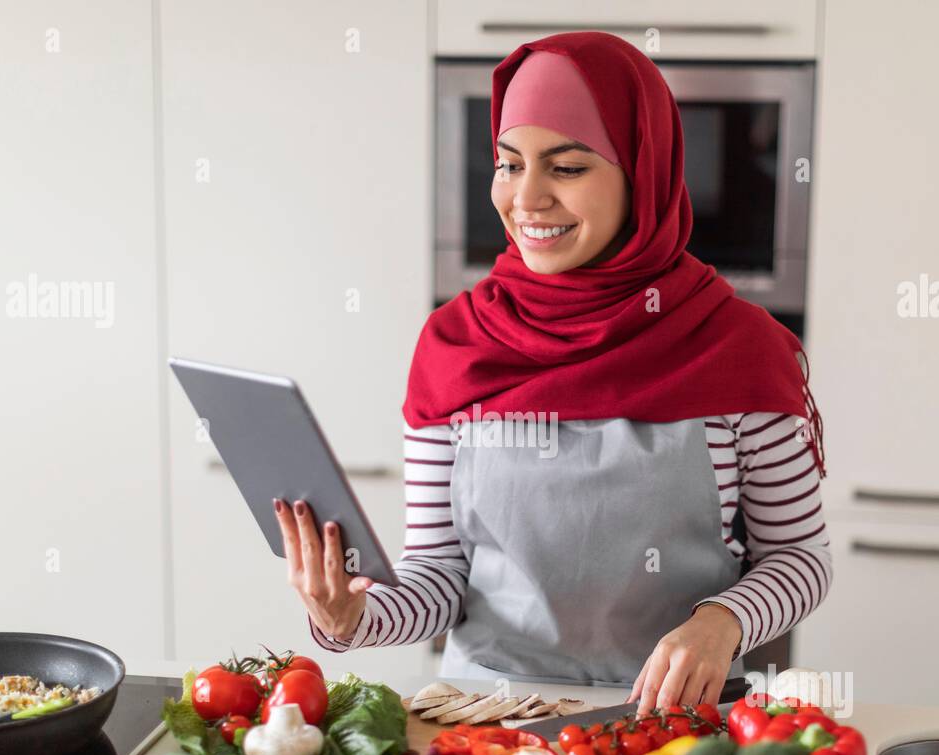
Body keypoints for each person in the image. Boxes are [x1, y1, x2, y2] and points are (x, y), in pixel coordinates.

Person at [275, 31, 831, 713]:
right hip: (488, 722)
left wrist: (724, 621)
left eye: (566, 168)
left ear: (641, 171)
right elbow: (440, 577)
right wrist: (351, 619)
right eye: (509, 164)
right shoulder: (455, 345)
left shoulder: (740, 348)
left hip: (673, 724)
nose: (526, 198)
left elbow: (801, 558)